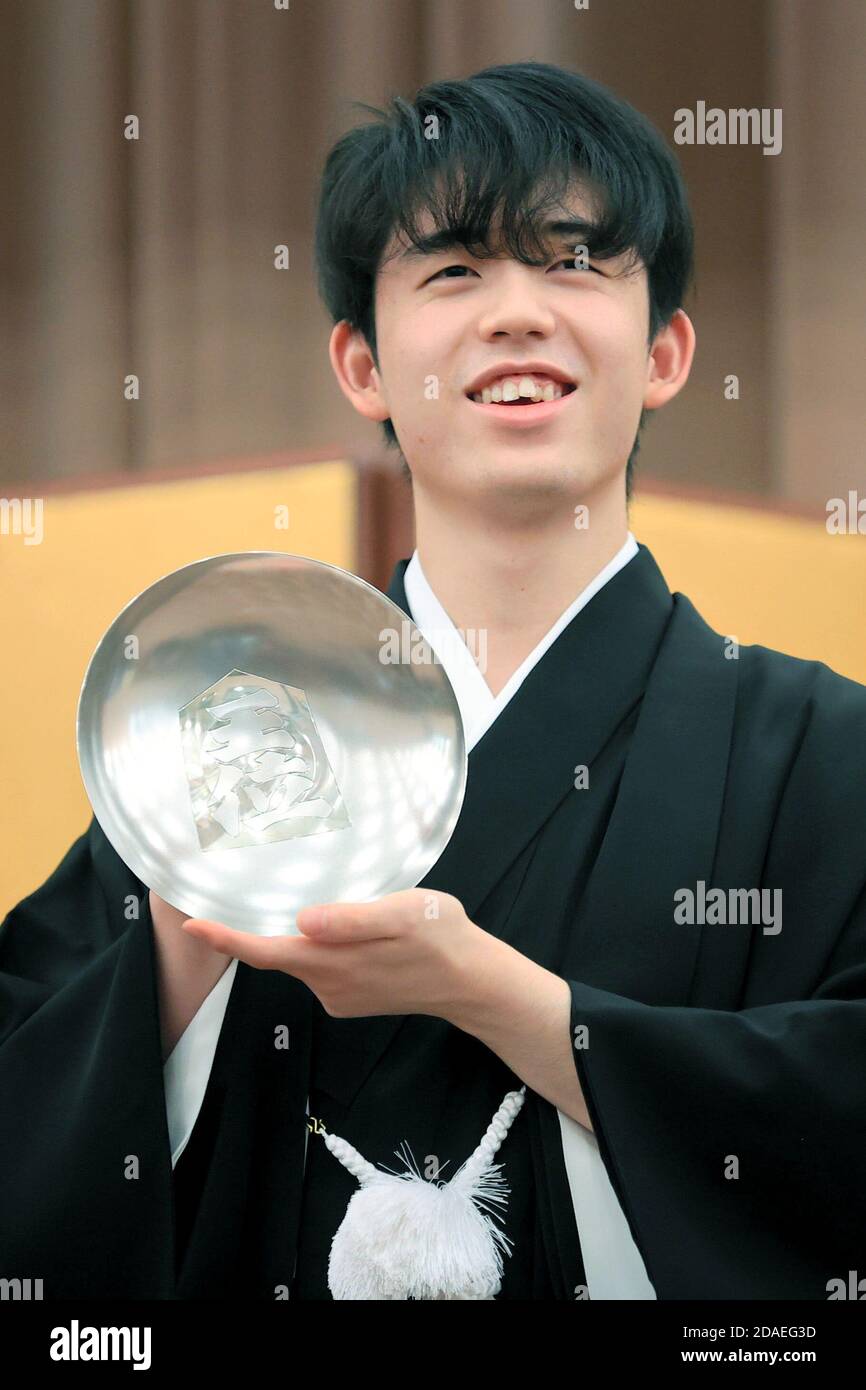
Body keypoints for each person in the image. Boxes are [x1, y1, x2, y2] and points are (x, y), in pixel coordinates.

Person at [2, 60, 865, 1301]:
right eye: (454, 269)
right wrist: (181, 954)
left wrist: (503, 1001)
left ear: (665, 352)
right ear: (361, 365)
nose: (515, 312)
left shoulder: (820, 753)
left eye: (573, 260)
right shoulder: (223, 762)